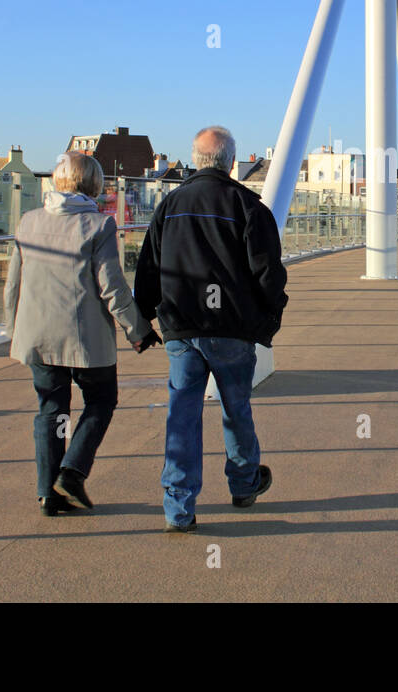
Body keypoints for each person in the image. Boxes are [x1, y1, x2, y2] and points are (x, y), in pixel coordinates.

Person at [133, 126, 288, 533]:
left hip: (181, 328)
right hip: (233, 329)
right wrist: (269, 319)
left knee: (181, 415)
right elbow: (269, 274)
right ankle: (243, 483)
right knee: (236, 409)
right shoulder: (248, 206)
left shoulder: (170, 204)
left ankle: (179, 508)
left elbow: (149, 267)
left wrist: (146, 318)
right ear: (231, 162)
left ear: (195, 160)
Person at [4, 150, 152, 517]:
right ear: (94, 185)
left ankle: (46, 492)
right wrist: (138, 330)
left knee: (51, 411)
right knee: (101, 402)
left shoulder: (28, 221)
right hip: (84, 340)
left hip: (36, 335)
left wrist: (15, 331)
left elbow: (13, 285)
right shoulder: (99, 226)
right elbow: (112, 288)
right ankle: (72, 471)